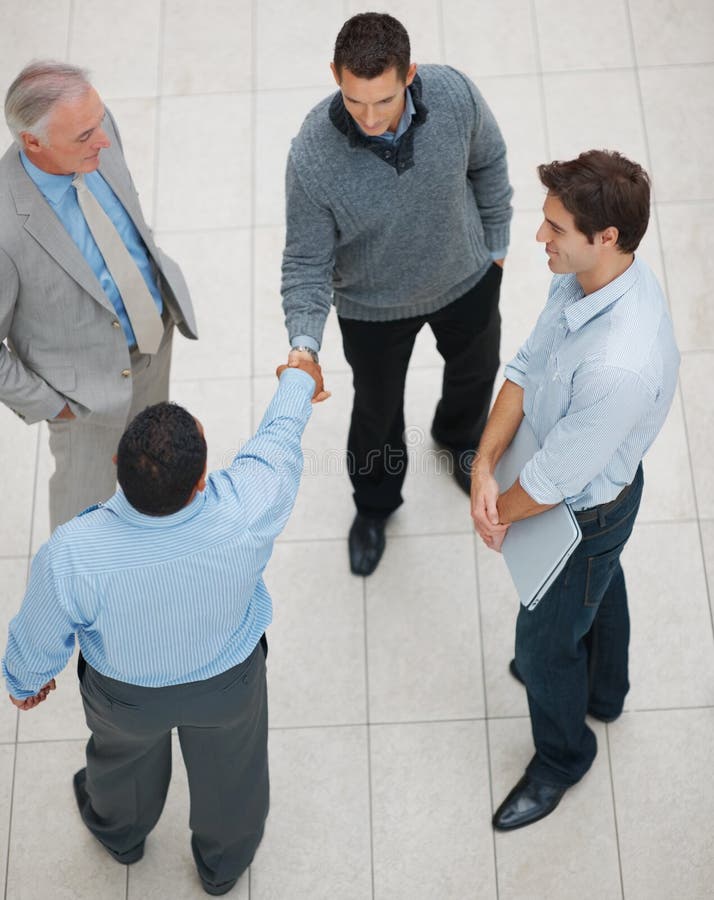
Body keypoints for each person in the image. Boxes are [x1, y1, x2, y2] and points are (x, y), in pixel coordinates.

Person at [2, 356, 329, 896]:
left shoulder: (72, 553)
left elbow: (37, 636)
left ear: (116, 463)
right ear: (202, 481)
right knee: (233, 777)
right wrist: (300, 374)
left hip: (123, 698)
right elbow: (278, 437)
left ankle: (121, 833)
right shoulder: (246, 507)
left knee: (120, 764)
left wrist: (23, 683)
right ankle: (223, 865)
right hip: (229, 687)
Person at [470, 150, 680, 831]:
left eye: (555, 228)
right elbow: (527, 367)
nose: (540, 239)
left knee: (540, 645)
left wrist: (495, 510)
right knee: (600, 583)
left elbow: (554, 482)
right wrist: (482, 462)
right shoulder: (584, 278)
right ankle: (606, 692)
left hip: (587, 507)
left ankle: (563, 758)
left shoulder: (621, 362)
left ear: (607, 237)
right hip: (586, 487)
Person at [281, 12, 513, 576]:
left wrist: (497, 245)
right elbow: (306, 262)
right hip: (373, 307)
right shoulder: (312, 152)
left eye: (382, 101)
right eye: (354, 101)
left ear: (409, 74)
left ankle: (459, 441)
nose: (368, 118)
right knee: (376, 412)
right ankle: (374, 506)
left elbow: (489, 161)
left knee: (476, 373)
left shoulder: (454, 94)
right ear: (335, 74)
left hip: (465, 276)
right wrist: (303, 346)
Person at [0, 60, 198, 531]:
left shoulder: (97, 130)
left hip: (153, 341)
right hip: (82, 398)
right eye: (85, 136)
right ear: (33, 142)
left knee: (154, 476)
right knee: (83, 514)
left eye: (99, 121)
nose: (103, 140)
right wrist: (55, 407)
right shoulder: (4, 226)